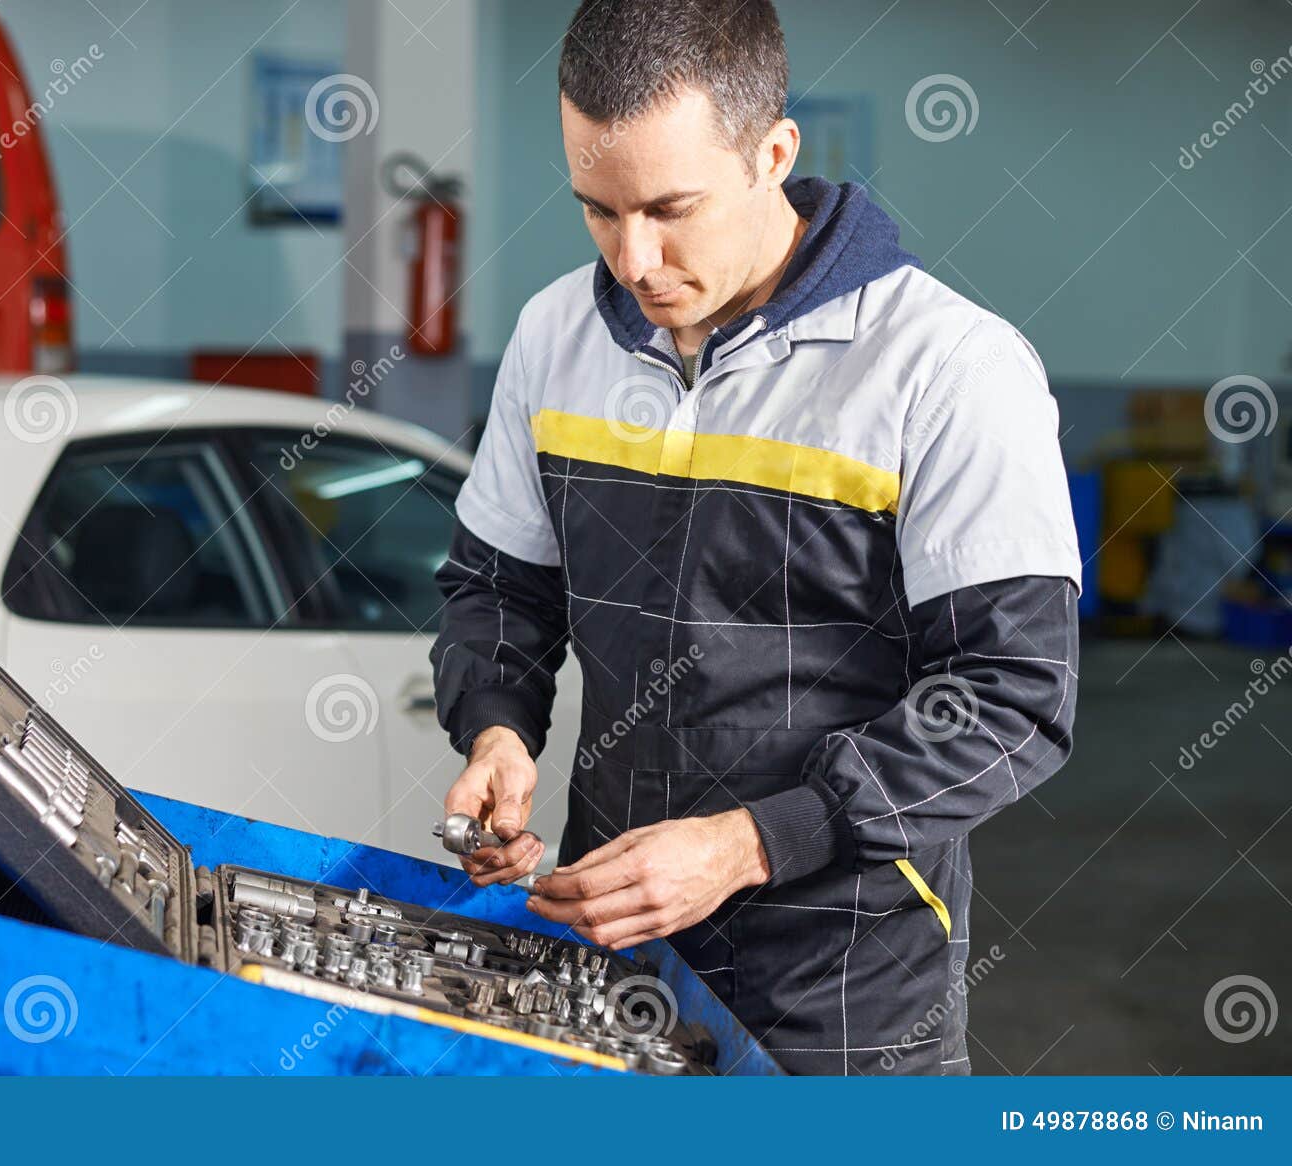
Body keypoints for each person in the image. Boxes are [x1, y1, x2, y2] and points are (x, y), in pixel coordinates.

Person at [430, 0, 1081, 1074]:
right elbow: (498, 587)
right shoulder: (556, 335)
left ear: (773, 153)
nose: (635, 259)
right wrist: (497, 730)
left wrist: (749, 844)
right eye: (598, 210)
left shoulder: (945, 368)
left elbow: (1013, 698)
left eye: (669, 208)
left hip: (848, 998)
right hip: (614, 947)